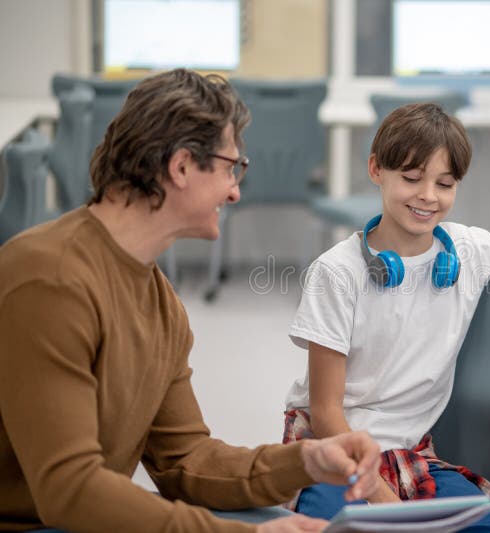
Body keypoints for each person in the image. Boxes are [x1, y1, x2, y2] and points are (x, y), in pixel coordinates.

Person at [0, 69, 381, 533]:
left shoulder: (160, 303)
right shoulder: (50, 279)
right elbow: (71, 491)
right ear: (181, 166)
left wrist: (307, 459)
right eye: (230, 168)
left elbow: (185, 461)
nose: (236, 190)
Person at [281, 102, 490, 532]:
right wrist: (386, 501)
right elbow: (325, 413)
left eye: (445, 183)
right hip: (335, 450)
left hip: (412, 455)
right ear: (377, 169)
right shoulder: (336, 273)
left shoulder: (470, 250)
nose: (428, 196)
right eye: (412, 179)